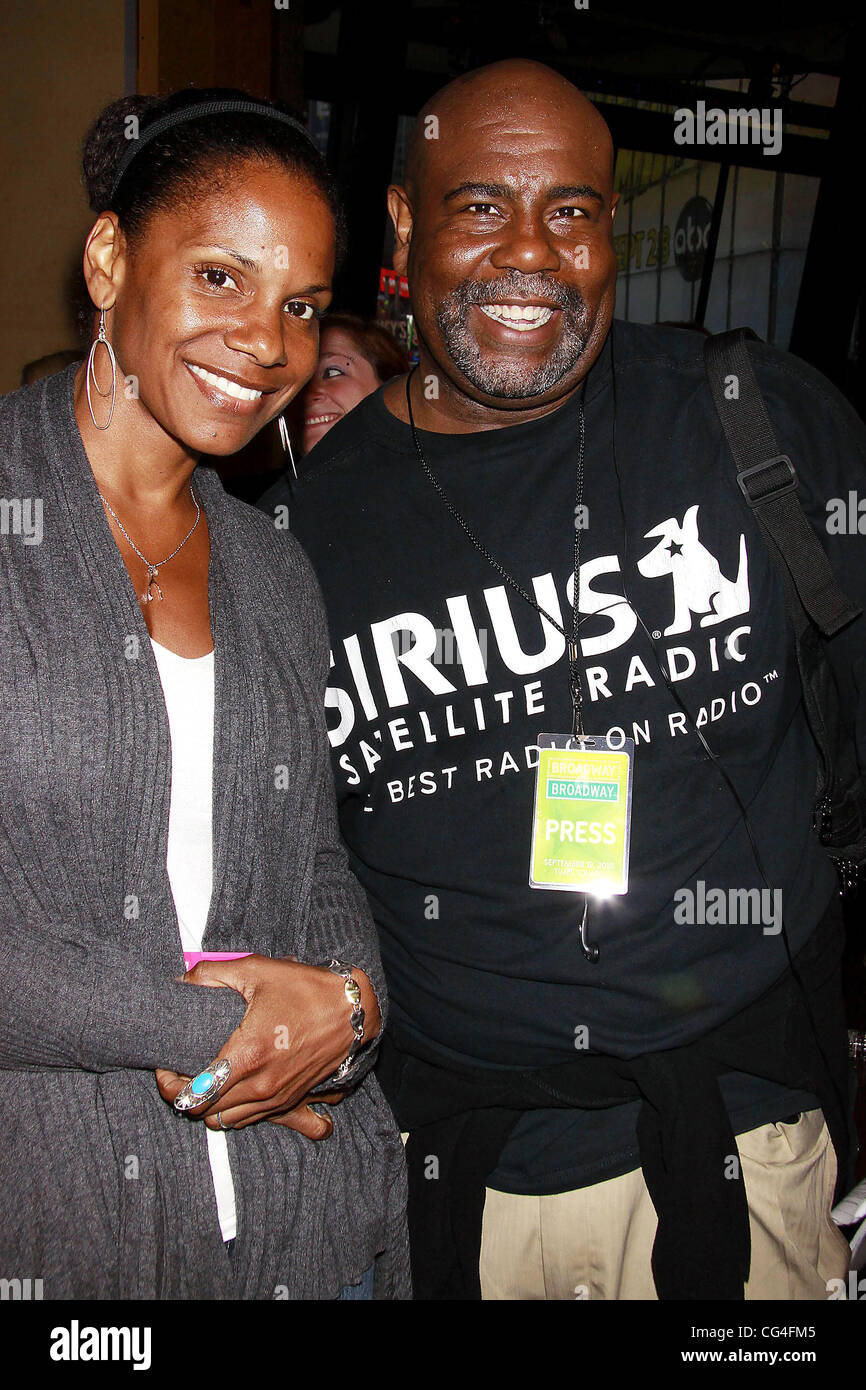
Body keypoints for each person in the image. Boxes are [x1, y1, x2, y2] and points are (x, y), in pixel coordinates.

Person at [279, 59, 864, 1300]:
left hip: (751, 1149)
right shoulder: (295, 544)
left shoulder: (756, 423)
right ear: (402, 223)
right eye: (480, 206)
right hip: (471, 1186)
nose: (527, 254)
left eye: (572, 211)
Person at [0, 86, 409, 1300]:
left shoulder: (276, 571)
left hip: (308, 1229)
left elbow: (314, 861)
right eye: (221, 279)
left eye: (298, 306)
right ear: (111, 258)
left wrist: (348, 1007)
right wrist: (221, 1038)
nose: (269, 344)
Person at [258, 313, 408, 507]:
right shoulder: (271, 510)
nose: (310, 393)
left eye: (333, 372)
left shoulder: (431, 496)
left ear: (391, 389)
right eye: (302, 383)